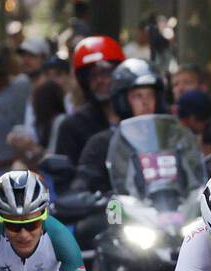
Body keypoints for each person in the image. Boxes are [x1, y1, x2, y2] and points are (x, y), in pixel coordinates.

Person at [73, 57, 176, 194]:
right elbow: (82, 188)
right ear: (122, 101)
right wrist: (104, 201)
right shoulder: (102, 145)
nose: (145, 102)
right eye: (137, 96)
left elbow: (193, 178)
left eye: (150, 95)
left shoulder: (170, 140)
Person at [54, 36, 125, 166]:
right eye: (93, 75)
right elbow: (64, 175)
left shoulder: (135, 114)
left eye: (106, 72)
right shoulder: (72, 126)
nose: (100, 80)